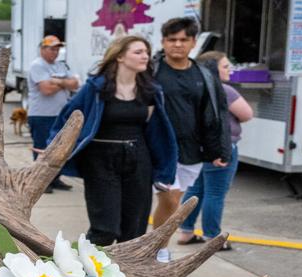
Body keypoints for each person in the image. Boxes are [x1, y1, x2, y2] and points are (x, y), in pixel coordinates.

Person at [50, 35, 179, 248]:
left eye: (146, 52)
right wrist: (52, 154)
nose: (145, 56)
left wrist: (164, 168)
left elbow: (158, 132)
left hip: (138, 159)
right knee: (104, 229)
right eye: (138, 52)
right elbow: (67, 118)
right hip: (100, 160)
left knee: (134, 230)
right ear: (119, 56)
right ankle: (88, 275)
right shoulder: (96, 88)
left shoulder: (150, 90)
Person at [150, 17, 229, 241]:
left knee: (175, 201)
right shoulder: (152, 71)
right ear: (163, 42)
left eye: (184, 39)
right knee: (171, 198)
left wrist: (218, 150)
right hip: (160, 148)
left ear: (194, 42)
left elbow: (216, 112)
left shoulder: (204, 75)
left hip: (191, 150)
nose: (177, 44)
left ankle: (156, 246)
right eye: (172, 39)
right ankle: (158, 249)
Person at [177, 52, 255, 250]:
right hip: (220, 148)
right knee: (215, 193)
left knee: (195, 190)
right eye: (225, 66)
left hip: (198, 149)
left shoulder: (193, 89)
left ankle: (185, 232)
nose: (229, 70)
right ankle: (212, 237)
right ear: (212, 68)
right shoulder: (224, 90)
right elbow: (247, 114)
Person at [27, 36, 80, 192]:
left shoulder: (61, 66)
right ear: (42, 49)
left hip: (60, 115)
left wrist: (57, 81)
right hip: (42, 115)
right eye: (51, 49)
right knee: (42, 149)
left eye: (57, 49)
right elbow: (46, 90)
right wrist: (64, 83)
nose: (55, 52)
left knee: (58, 150)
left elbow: (75, 85)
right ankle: (40, 182)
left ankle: (55, 179)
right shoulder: (37, 65)